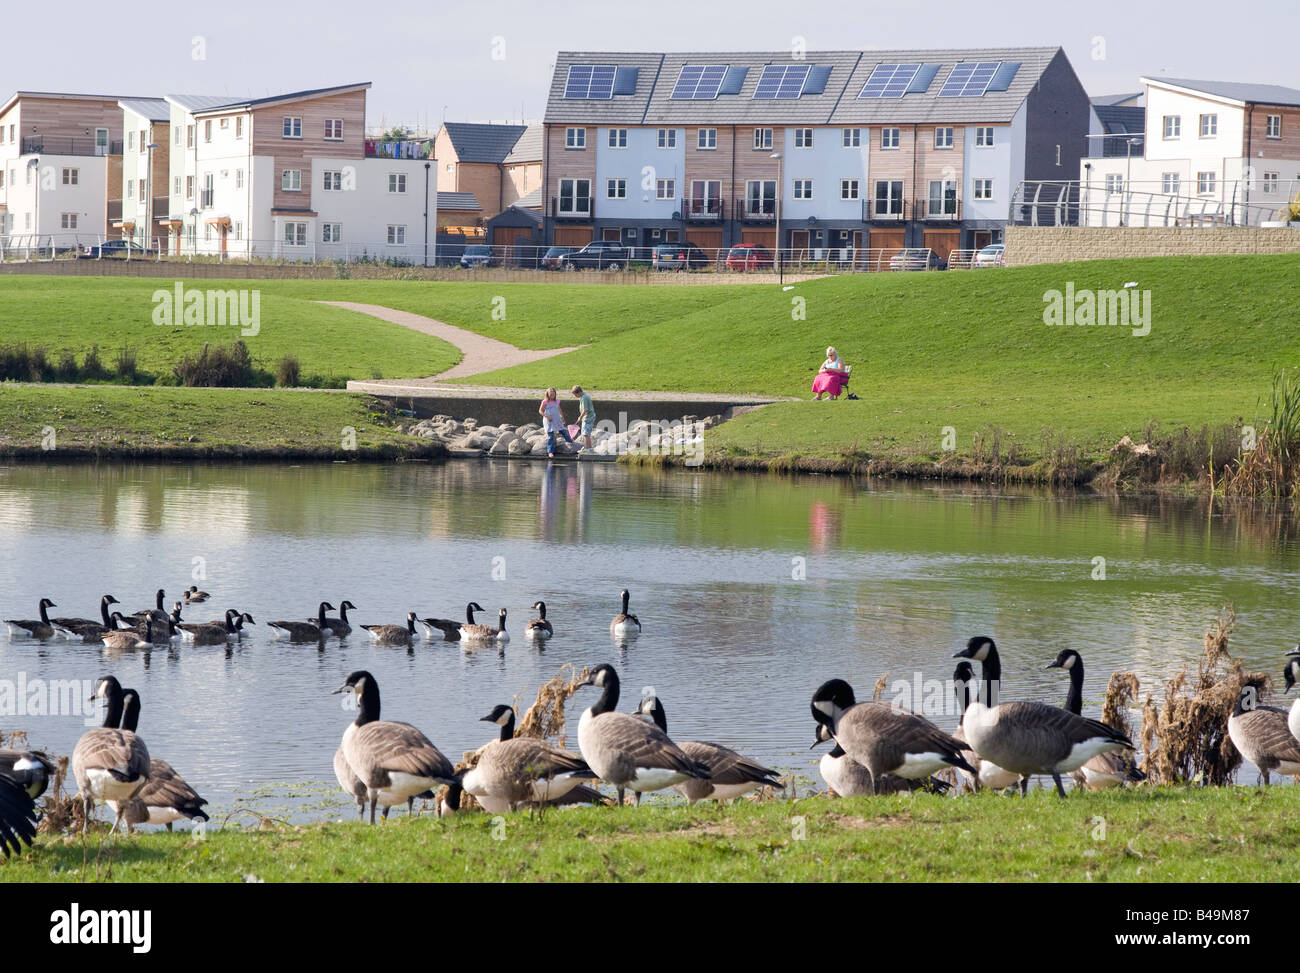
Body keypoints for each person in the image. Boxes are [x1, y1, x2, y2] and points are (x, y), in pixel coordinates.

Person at [539, 387, 575, 458]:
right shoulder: (545, 402)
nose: (552, 393)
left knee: (564, 431)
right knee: (551, 436)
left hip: (557, 420)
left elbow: (559, 409)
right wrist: (547, 416)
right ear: (547, 394)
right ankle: (550, 452)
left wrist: (562, 417)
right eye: (550, 392)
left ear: (555, 393)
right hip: (549, 420)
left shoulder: (557, 401)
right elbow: (540, 411)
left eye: (553, 392)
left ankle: (572, 444)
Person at [572, 385, 596, 453]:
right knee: (586, 433)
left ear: (578, 392)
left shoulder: (584, 398)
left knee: (586, 434)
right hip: (588, 417)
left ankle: (588, 449)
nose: (575, 396)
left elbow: (585, 409)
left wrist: (580, 417)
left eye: (575, 395)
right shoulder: (584, 396)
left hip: (588, 417)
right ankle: (588, 447)